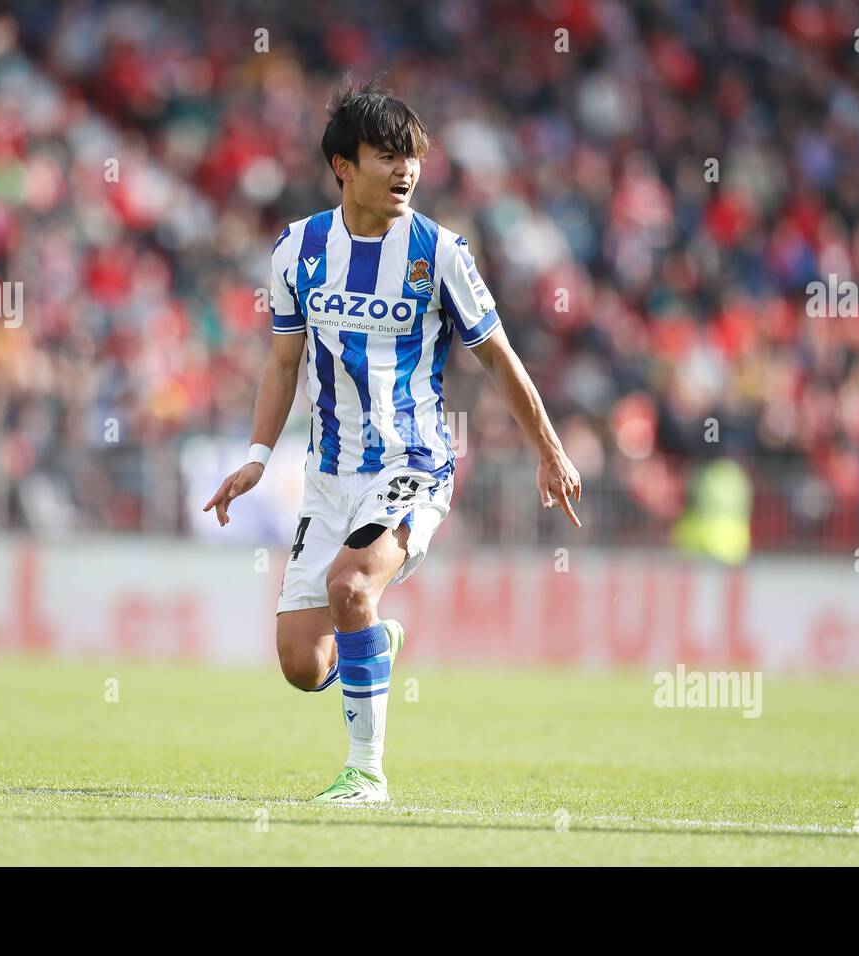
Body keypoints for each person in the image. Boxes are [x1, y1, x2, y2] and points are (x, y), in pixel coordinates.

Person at [203, 77, 582, 803]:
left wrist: (551, 449)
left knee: (350, 586)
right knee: (302, 665)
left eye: (412, 156)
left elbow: (499, 356)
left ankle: (365, 774)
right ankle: (373, 637)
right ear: (344, 166)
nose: (405, 169)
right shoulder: (297, 249)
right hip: (329, 473)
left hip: (412, 463)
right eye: (387, 155)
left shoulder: (440, 252)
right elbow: (283, 361)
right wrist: (256, 457)